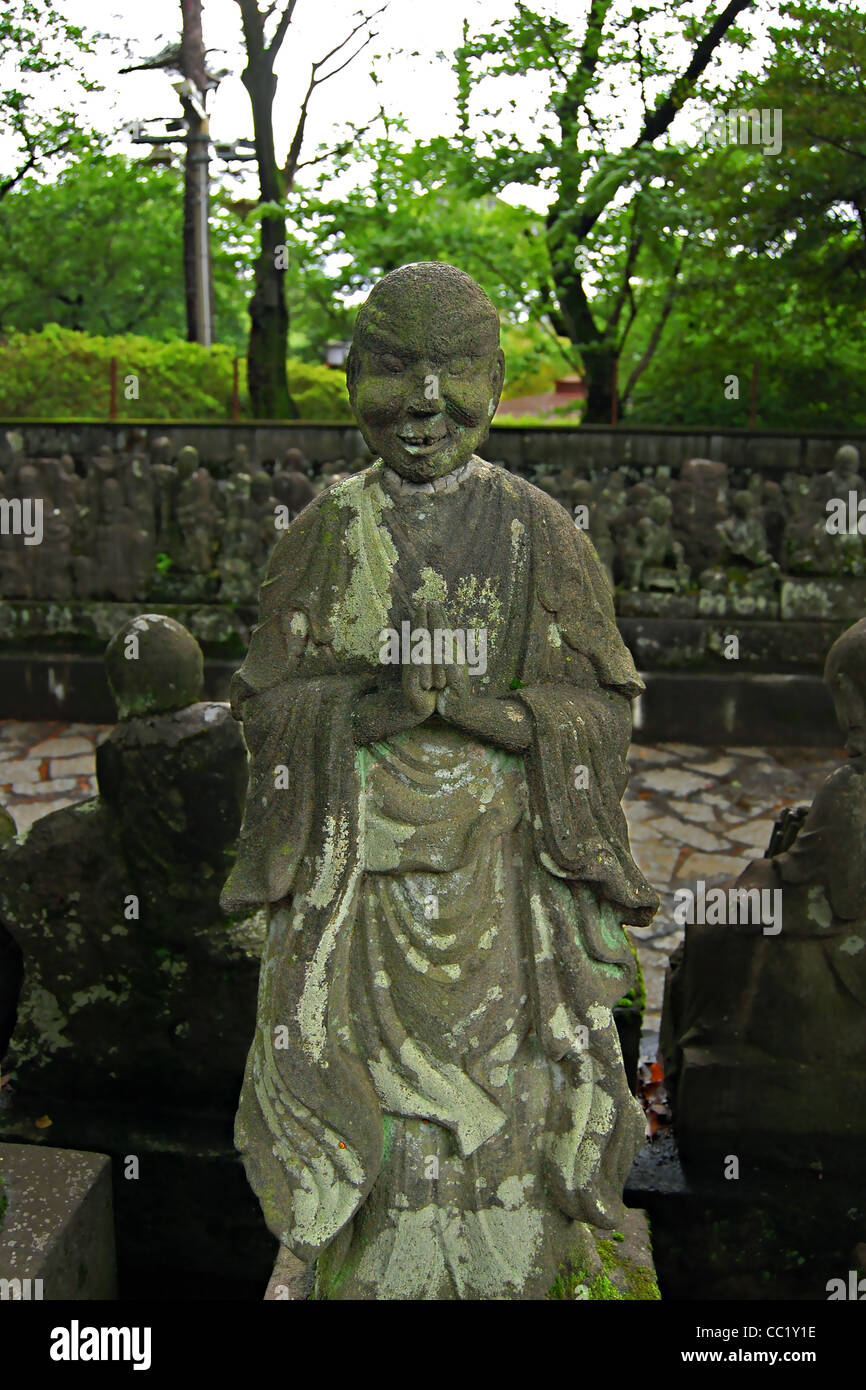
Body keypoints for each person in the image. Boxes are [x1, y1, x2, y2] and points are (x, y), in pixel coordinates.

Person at [222, 262, 657, 1299]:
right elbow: (266, 707)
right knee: (374, 1093)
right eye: (393, 370)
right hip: (362, 874)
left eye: (453, 371)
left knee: (503, 1082)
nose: (424, 404)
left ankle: (514, 1248)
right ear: (351, 381)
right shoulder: (326, 530)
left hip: (499, 874)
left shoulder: (537, 528)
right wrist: (369, 711)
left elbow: (604, 707)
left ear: (495, 379)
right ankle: (375, 1250)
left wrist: (488, 715)